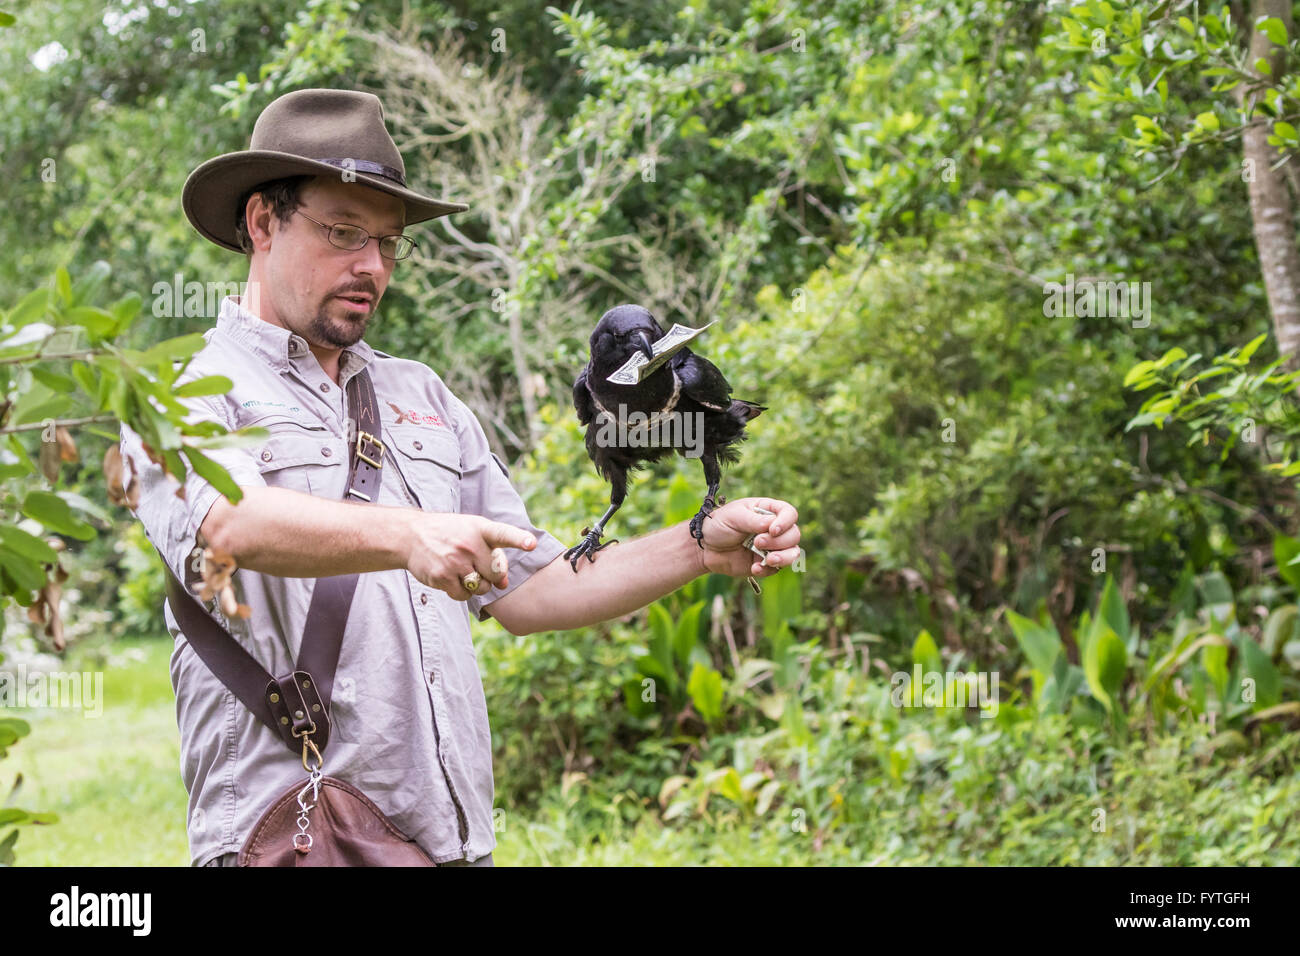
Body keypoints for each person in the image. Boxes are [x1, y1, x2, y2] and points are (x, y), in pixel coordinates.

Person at [120, 88, 802, 867]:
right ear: (262, 223)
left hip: (448, 846)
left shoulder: (423, 397)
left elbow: (533, 589)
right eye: (344, 233)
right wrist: (411, 535)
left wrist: (702, 548)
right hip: (297, 842)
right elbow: (231, 526)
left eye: (388, 242)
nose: (372, 266)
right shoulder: (184, 388)